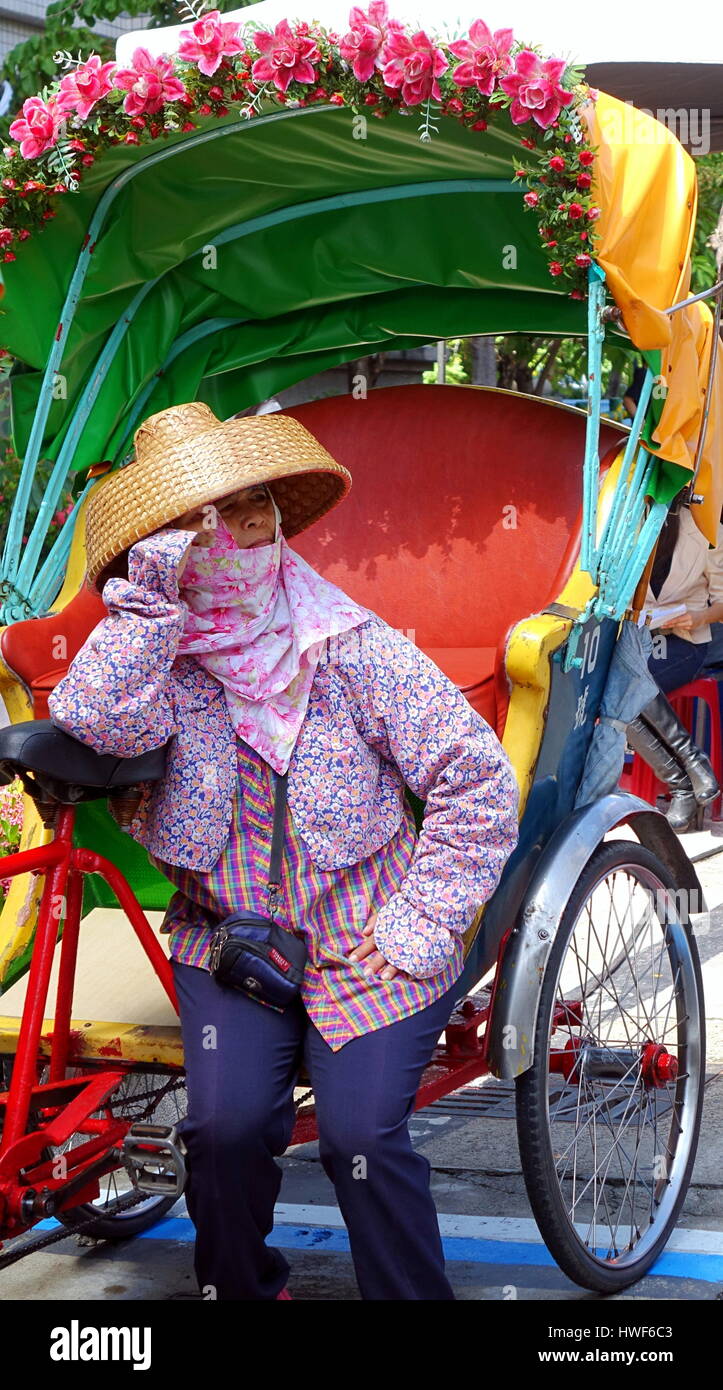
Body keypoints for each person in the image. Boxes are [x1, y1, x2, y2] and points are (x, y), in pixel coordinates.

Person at [48, 401, 520, 1301]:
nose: (232, 539)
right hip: (228, 943)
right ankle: (244, 1290)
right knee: (221, 1133)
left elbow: (478, 780)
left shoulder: (352, 647)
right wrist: (148, 602)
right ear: (159, 548)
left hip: (369, 934)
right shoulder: (160, 662)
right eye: (196, 524)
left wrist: (422, 920)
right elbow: (92, 720)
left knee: (362, 1144)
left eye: (251, 512)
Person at [625, 488, 723, 830]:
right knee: (618, 689)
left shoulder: (710, 532)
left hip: (684, 642)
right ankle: (687, 773)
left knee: (626, 687)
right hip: (639, 641)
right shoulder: (630, 526)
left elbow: (722, 604)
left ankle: (684, 780)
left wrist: (698, 618)